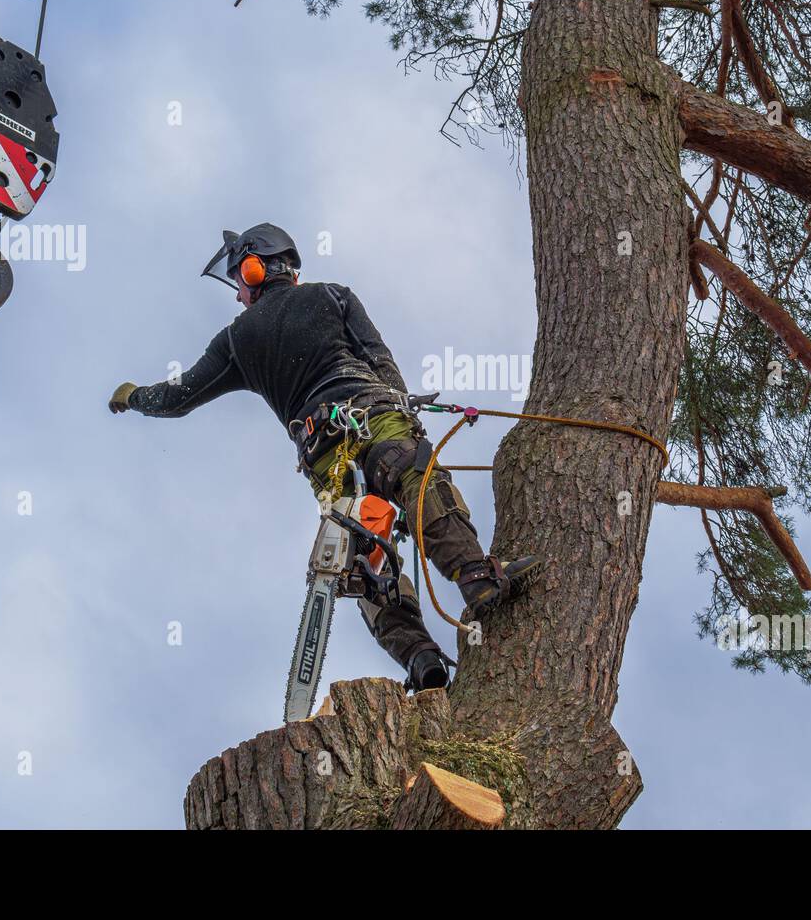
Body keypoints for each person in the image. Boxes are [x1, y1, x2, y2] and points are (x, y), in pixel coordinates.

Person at [108, 224, 537, 692]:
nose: (238, 296)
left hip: (324, 456)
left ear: (256, 265)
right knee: (418, 481)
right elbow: (380, 359)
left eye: (239, 281)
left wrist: (135, 397)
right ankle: (476, 577)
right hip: (377, 418)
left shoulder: (236, 340)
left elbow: (178, 396)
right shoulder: (334, 296)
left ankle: (420, 657)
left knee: (363, 555)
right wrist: (399, 406)